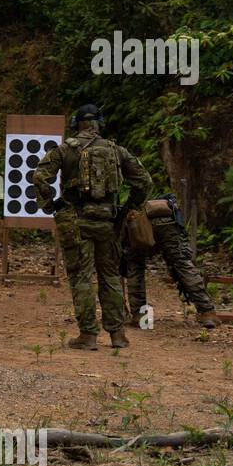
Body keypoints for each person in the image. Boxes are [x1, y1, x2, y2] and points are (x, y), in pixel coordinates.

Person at [32, 104, 151, 350]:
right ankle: (117, 335)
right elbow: (144, 181)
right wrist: (128, 207)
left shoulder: (65, 150)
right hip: (108, 221)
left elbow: (40, 176)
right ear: (100, 124)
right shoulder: (117, 150)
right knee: (110, 276)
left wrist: (50, 204)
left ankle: (88, 334)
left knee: (81, 277)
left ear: (77, 124)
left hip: (76, 220)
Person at [121, 194, 219, 329]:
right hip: (167, 218)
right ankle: (207, 312)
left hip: (138, 220)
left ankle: (141, 317)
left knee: (135, 266)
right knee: (182, 263)